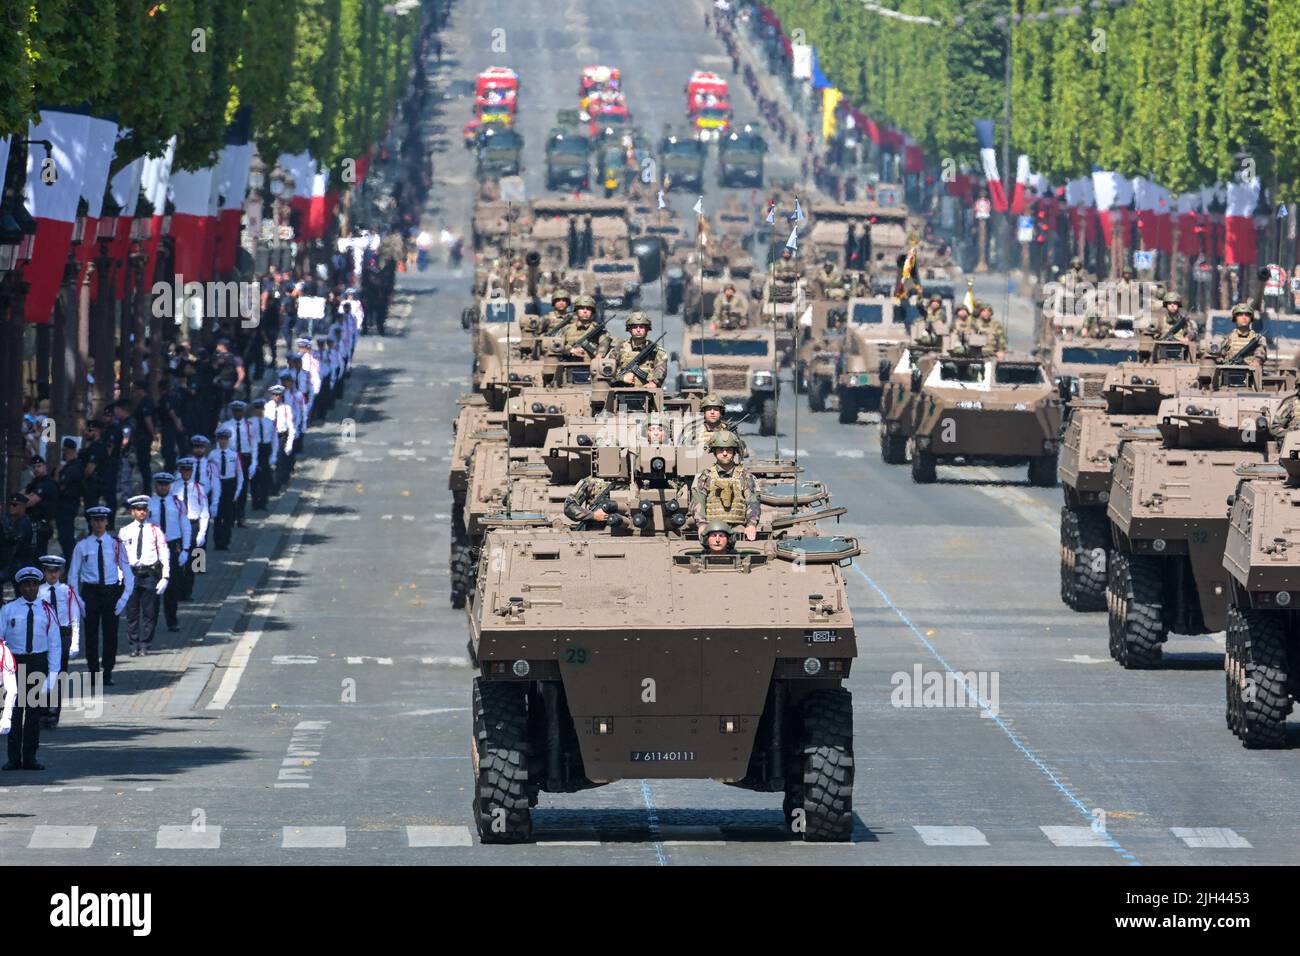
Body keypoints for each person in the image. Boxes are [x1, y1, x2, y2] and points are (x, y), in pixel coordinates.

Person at [1, 566, 59, 770]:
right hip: (15, 664)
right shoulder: (8, 610)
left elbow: (54, 644)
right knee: (14, 712)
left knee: (34, 714)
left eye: (34, 584)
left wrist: (53, 673)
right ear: (20, 586)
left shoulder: (47, 610)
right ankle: (13, 758)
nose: (30, 588)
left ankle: (30, 757)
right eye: (26, 584)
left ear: (38, 586)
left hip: (37, 663)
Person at [68, 506, 132, 686]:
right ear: (90, 522)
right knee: (91, 634)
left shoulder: (115, 544)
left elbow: (127, 572)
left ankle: (108, 670)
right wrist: (78, 600)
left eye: (101, 520)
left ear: (107, 522)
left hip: (111, 592)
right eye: (95, 520)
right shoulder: (82, 545)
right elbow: (73, 574)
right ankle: (93, 670)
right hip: (91, 592)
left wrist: (124, 597)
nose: (98, 524)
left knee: (111, 633)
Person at [117, 495, 168, 657]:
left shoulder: (155, 530)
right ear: (132, 512)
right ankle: (133, 645)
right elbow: (119, 556)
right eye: (138, 510)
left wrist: (165, 576)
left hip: (149, 574)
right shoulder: (125, 531)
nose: (142, 513)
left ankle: (145, 644)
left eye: (144, 510)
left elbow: (164, 554)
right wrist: (119, 575)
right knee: (131, 612)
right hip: (131, 574)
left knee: (150, 612)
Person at [36, 555, 80, 729]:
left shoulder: (67, 591)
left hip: (62, 633)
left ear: (60, 572)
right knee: (42, 672)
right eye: (48, 571)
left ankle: (53, 713)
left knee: (58, 674)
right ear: (44, 572)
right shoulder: (39, 591)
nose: (52, 574)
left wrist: (75, 642)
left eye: (55, 571)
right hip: (44, 634)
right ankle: (41, 711)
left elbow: (74, 617)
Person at [691, 431, 760, 540]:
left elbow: (753, 501)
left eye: (728, 450)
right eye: (720, 449)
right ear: (714, 452)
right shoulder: (704, 477)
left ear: (734, 452)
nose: (724, 453)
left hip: (738, 529)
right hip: (712, 530)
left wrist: (751, 524)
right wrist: (701, 524)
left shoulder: (745, 476)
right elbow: (698, 502)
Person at [148, 472, 190, 633]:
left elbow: (185, 526)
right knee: (153, 586)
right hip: (153, 547)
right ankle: (150, 622)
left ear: (170, 486)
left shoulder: (177, 503)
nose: (163, 487)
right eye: (160, 484)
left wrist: (186, 549)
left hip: (172, 545)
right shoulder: (149, 503)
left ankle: (172, 621)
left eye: (166, 485)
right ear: (155, 485)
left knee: (172, 586)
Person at [173, 458, 209, 602]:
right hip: (178, 526)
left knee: (193, 560)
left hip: (193, 524)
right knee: (177, 559)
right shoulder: (174, 487)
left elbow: (204, 512)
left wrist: (202, 532)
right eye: (184, 470)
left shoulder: (199, 488)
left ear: (192, 471)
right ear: (180, 471)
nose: (186, 473)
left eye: (189, 470)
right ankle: (177, 591)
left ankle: (187, 592)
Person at [220, 401, 257, 527]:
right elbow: (219, 444)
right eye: (235, 411)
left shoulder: (249, 425)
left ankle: (241, 516)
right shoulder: (225, 426)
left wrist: (254, 462)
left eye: (240, 411)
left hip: (245, 458)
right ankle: (230, 516)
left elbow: (253, 444)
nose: (238, 413)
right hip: (231, 459)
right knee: (230, 487)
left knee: (243, 487)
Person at [606, 312, 667, 387]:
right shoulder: (619, 349)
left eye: (641, 327)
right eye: (635, 327)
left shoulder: (656, 351)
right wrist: (622, 378)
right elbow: (607, 371)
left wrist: (654, 383)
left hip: (647, 392)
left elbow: (660, 370)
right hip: (621, 391)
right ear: (630, 329)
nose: (638, 330)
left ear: (647, 329)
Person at [211, 427, 245, 550]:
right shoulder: (213, 455)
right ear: (218, 440)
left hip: (230, 485)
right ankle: (217, 541)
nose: (223, 441)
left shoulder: (234, 455)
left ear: (228, 440)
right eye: (221, 439)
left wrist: (238, 491)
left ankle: (226, 541)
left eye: (225, 439)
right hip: (217, 484)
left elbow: (240, 475)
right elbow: (209, 472)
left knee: (228, 516)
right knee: (217, 516)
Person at [21, 454, 58, 558]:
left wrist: (28, 496)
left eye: (39, 466)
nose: (36, 469)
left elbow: (29, 502)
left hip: (41, 525)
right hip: (31, 524)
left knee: (38, 556)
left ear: (45, 466)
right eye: (34, 467)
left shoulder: (48, 483)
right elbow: (20, 496)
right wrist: (28, 496)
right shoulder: (34, 483)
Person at [53, 438, 83, 558]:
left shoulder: (72, 468)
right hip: (64, 506)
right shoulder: (71, 466)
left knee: (66, 538)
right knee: (64, 537)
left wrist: (56, 474)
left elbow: (59, 487)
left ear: (66, 450)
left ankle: (71, 566)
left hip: (67, 506)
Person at [1217, 303, 1264, 373]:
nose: (1244, 317)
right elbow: (1220, 356)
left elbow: (1260, 354)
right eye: (1240, 315)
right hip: (1230, 373)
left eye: (1247, 315)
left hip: (1250, 374)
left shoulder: (1258, 339)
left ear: (1251, 318)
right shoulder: (1227, 339)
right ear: (1235, 318)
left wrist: (1257, 362)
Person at [249, 397, 278, 510]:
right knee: (254, 478)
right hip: (254, 450)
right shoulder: (250, 423)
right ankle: (255, 502)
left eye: (261, 408)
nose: (259, 411)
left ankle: (264, 502)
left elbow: (274, 439)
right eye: (257, 408)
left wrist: (274, 454)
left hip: (266, 449)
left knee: (265, 478)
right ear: (254, 410)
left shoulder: (269, 422)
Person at [267, 383, 297, 492]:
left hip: (281, 437)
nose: (277, 397)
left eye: (279, 394)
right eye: (275, 394)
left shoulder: (286, 408)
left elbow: (291, 427)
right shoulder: (267, 407)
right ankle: (270, 485)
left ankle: (276, 486)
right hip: (269, 438)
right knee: (269, 462)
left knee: (279, 462)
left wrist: (289, 443)